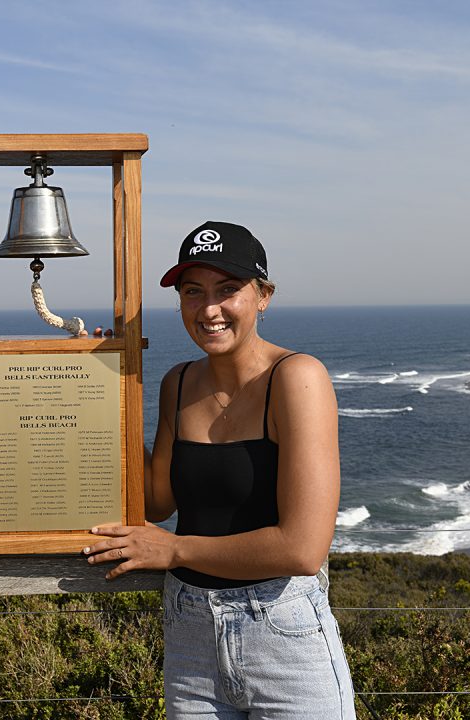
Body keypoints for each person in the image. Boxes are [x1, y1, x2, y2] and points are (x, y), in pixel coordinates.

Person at [83, 221, 355, 718]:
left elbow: (302, 548)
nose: (209, 309)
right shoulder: (178, 383)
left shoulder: (297, 378)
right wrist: (103, 388)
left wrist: (175, 549)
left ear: (263, 296)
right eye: (193, 292)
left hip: (282, 631)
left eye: (228, 290)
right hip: (189, 631)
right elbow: (158, 501)